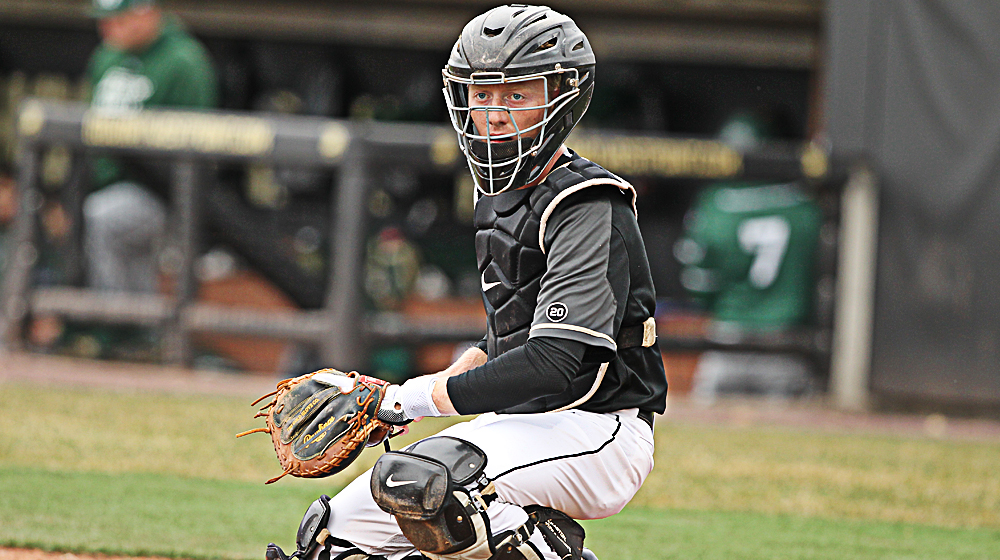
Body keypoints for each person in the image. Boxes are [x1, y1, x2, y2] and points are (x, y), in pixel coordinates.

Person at [271, 6, 667, 560]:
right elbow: (504, 341)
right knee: (333, 535)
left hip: (597, 429)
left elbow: (553, 360)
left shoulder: (585, 203)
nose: (494, 113)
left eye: (517, 95)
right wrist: (402, 398)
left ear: (563, 99)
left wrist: (408, 398)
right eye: (481, 95)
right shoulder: (497, 197)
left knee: (429, 486)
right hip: (523, 423)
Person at [674, 113, 822, 403]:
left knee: (706, 428)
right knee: (789, 438)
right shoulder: (807, 204)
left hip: (729, 335)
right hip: (787, 340)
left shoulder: (715, 203)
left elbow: (697, 281)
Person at [84, 0, 217, 293]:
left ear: (146, 13)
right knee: (125, 250)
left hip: (160, 191)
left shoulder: (184, 60)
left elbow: (195, 145)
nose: (107, 29)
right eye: (103, 21)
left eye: (118, 19)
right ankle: (139, 333)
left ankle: (114, 325)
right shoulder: (106, 57)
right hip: (109, 185)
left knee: (99, 218)